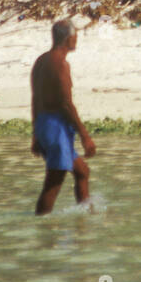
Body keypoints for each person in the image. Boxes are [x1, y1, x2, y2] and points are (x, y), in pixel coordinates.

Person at [30, 19, 96, 215]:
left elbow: (35, 99)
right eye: (75, 36)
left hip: (44, 123)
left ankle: (85, 217)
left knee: (82, 171)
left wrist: (35, 134)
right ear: (69, 38)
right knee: (53, 183)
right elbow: (66, 103)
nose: (77, 39)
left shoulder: (41, 61)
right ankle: (43, 229)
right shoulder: (60, 64)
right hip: (55, 127)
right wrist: (85, 136)